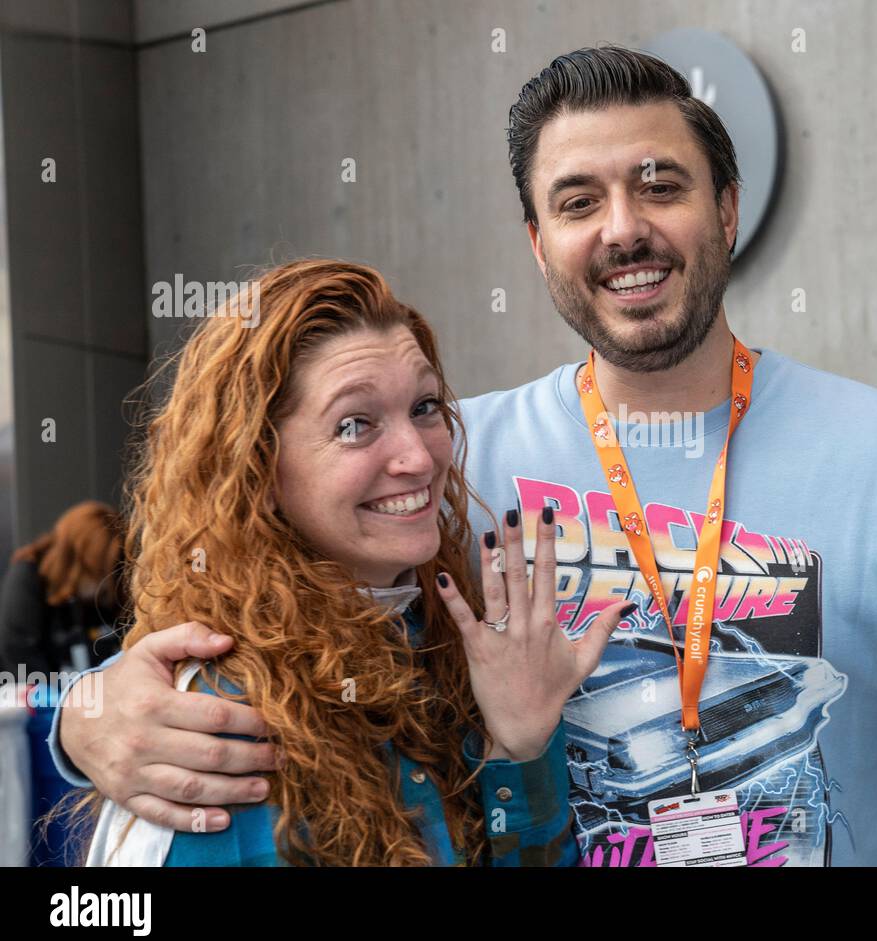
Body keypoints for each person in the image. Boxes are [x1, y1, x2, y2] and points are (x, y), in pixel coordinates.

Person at [50, 46, 877, 867]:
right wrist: (81, 718)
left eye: (660, 184)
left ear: (726, 207)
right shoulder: (444, 475)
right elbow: (269, 647)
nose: (623, 227)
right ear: (537, 242)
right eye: (577, 201)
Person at [57, 260, 630, 866]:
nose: (418, 457)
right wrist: (80, 712)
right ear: (256, 470)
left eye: (425, 406)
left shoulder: (443, 642)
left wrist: (522, 748)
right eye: (355, 425)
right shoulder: (217, 726)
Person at [0, 500, 126, 677]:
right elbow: (18, 649)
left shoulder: (104, 594)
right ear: (76, 561)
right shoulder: (30, 576)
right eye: (96, 571)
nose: (103, 583)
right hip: (37, 684)